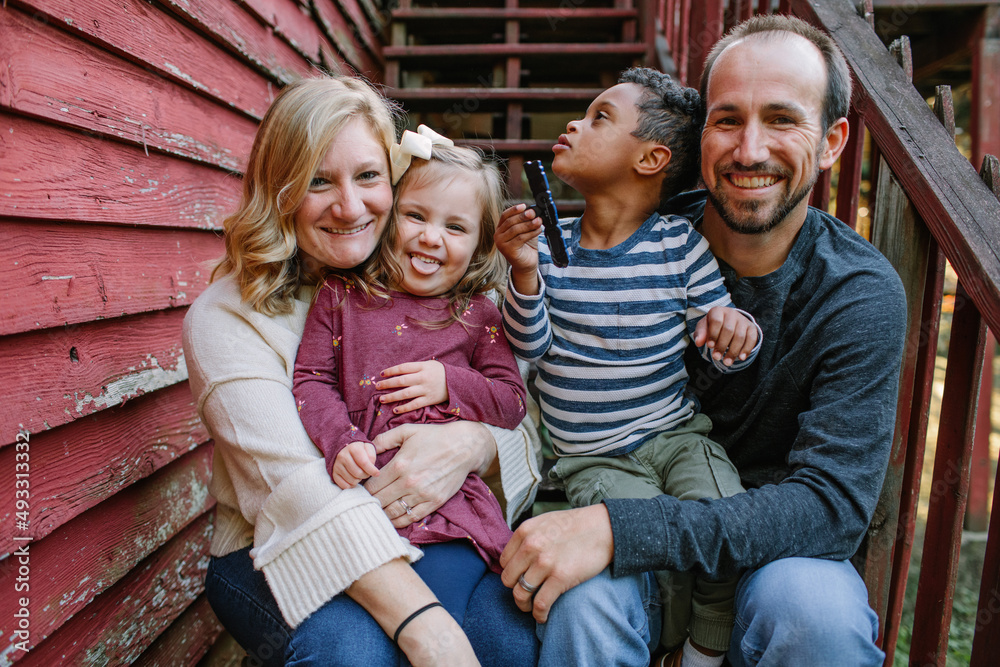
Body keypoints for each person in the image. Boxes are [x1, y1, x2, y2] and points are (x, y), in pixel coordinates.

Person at [498, 15, 908, 667]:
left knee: (816, 615)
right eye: (726, 119)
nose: (749, 150)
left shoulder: (857, 292)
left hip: (776, 554)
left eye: (780, 119)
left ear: (831, 142)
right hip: (632, 517)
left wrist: (618, 527)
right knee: (582, 605)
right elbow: (528, 354)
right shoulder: (647, 238)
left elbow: (830, 508)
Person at [182, 76, 542, 666]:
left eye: (369, 176)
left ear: (396, 182)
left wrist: (469, 444)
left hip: (437, 526)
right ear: (279, 191)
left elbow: (518, 422)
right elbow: (301, 496)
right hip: (278, 544)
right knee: (356, 652)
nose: (351, 208)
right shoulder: (223, 322)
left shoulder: (433, 286)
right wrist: (431, 631)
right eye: (318, 181)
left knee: (510, 640)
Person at [494, 67, 761, 667]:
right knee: (647, 544)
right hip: (593, 457)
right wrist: (523, 272)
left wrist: (738, 331)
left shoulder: (678, 245)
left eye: (599, 118)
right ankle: (657, 642)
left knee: (727, 518)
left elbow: (720, 332)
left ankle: (703, 650)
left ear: (650, 159)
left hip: (676, 437)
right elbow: (529, 348)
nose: (574, 124)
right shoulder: (550, 249)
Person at [292, 134, 526, 585]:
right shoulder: (341, 296)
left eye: (455, 227)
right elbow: (311, 380)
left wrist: (449, 381)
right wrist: (341, 440)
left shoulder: (478, 314)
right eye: (415, 215)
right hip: (359, 501)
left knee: (443, 609)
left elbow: (512, 403)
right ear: (387, 219)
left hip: (448, 511)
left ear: (480, 245)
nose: (431, 236)